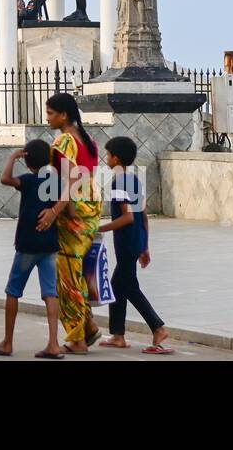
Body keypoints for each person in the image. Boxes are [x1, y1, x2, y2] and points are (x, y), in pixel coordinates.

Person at [0, 138, 62, 358]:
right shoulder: (56, 182)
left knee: (13, 291)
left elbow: (5, 179)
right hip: (50, 244)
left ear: (27, 160)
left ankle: (7, 342)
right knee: (50, 293)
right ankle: (54, 343)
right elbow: (68, 208)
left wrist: (12, 157)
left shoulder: (28, 180)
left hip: (28, 244)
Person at [40, 91, 102, 353]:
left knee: (67, 278)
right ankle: (89, 328)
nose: (48, 118)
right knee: (76, 273)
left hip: (73, 214)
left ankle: (77, 338)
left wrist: (55, 211)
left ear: (63, 115)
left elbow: (70, 181)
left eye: (51, 113)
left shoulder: (64, 142)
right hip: (91, 210)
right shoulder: (88, 141)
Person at [97, 136, 171, 354]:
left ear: (116, 158)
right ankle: (117, 335)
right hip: (136, 241)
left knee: (128, 286)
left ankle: (158, 327)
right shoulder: (134, 180)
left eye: (108, 154)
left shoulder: (118, 183)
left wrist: (99, 229)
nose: (106, 158)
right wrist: (145, 246)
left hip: (126, 243)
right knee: (117, 286)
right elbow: (144, 215)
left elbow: (128, 217)